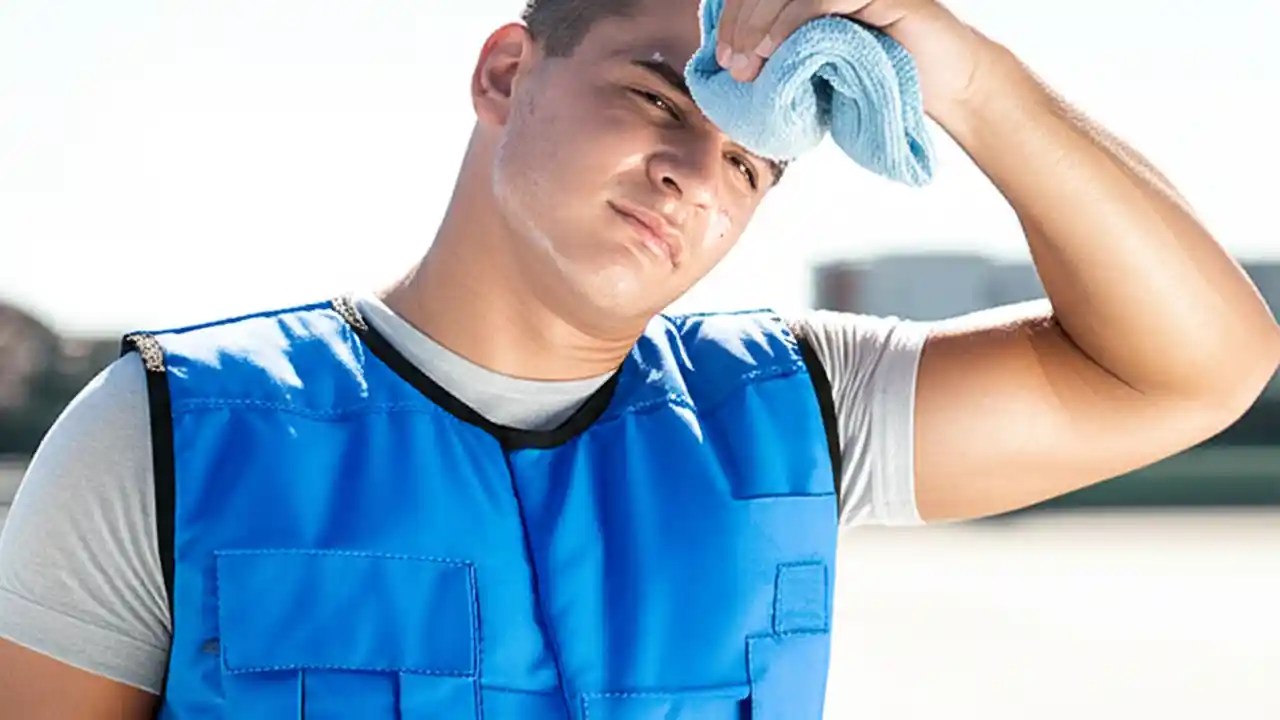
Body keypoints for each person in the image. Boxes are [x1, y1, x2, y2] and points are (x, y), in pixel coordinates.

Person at [1, 0, 1277, 717]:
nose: (694, 178)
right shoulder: (169, 432)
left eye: (749, 163)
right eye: (660, 99)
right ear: (507, 71)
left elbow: (1193, 370)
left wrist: (976, 82)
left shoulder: (792, 411)